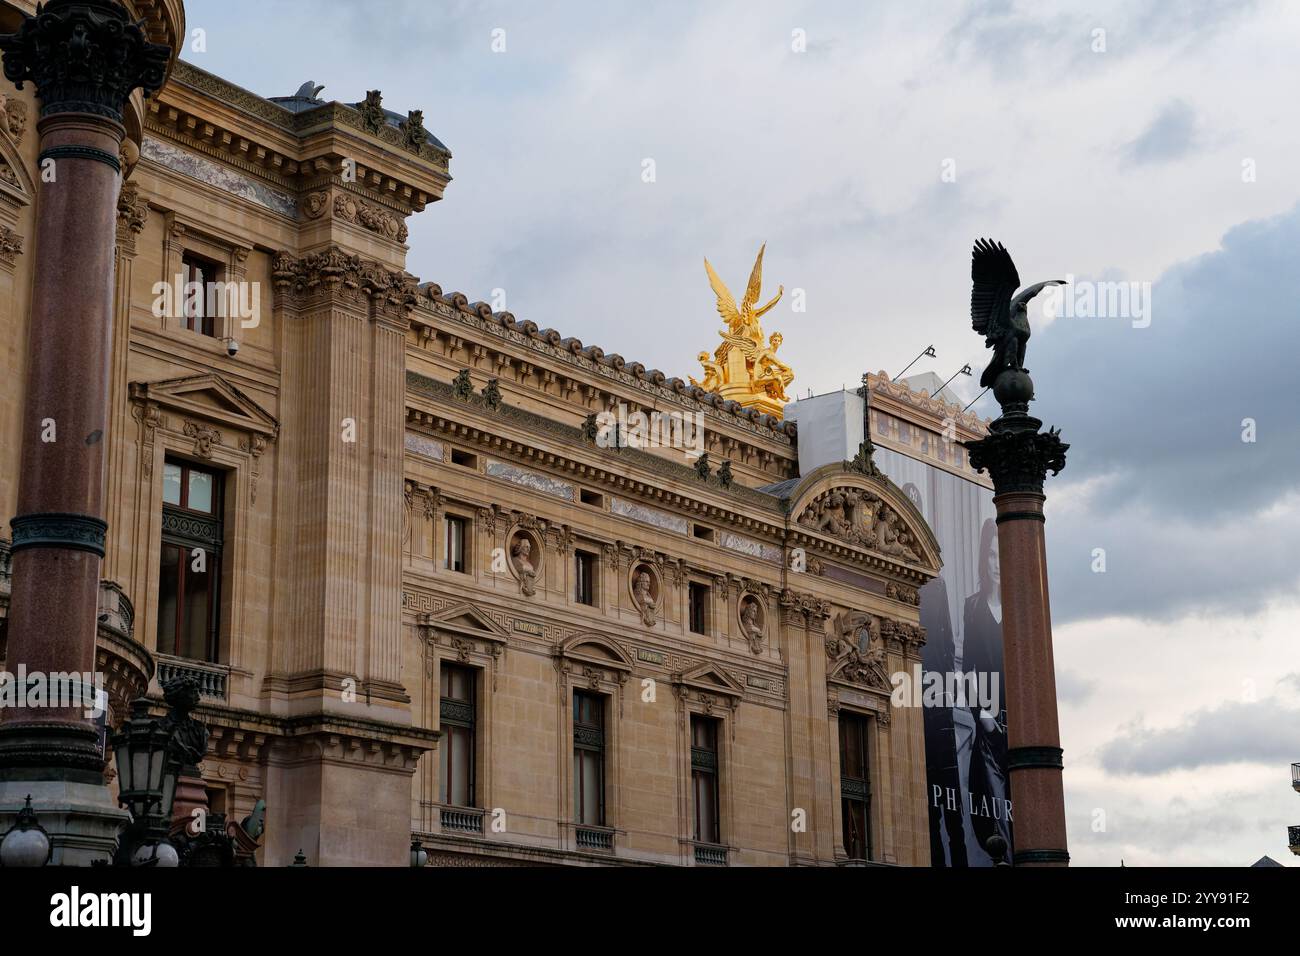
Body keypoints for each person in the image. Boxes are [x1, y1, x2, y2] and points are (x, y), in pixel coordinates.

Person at [962, 517, 1011, 863]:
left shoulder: (1023, 607)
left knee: (1025, 801)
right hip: (990, 723)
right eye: (992, 556)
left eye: (1002, 555)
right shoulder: (972, 606)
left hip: (1022, 725)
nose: (997, 564)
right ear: (984, 558)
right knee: (999, 807)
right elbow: (968, 670)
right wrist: (983, 714)